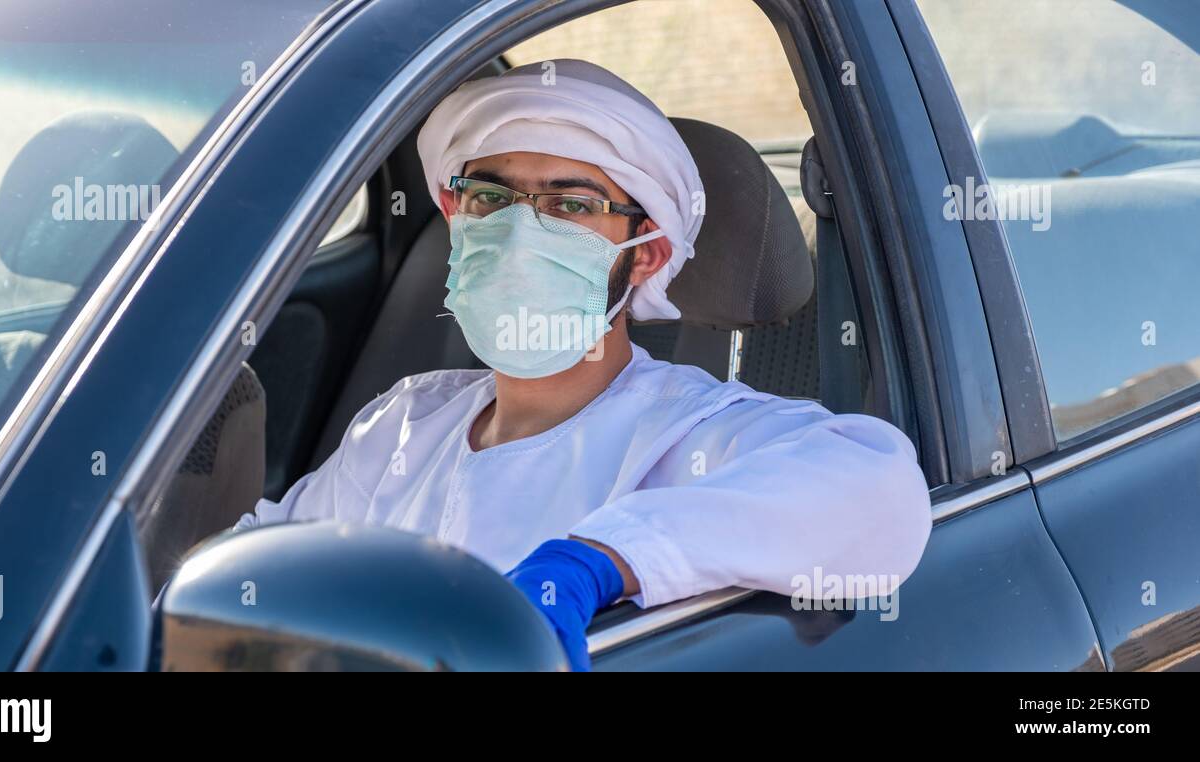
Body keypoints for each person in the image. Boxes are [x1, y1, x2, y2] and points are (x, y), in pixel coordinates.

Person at [237, 59, 932, 671]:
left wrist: (596, 561)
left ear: (648, 253)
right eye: (490, 197)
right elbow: (259, 570)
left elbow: (880, 492)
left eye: (570, 205)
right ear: (455, 213)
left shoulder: (688, 435)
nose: (518, 230)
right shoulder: (403, 424)